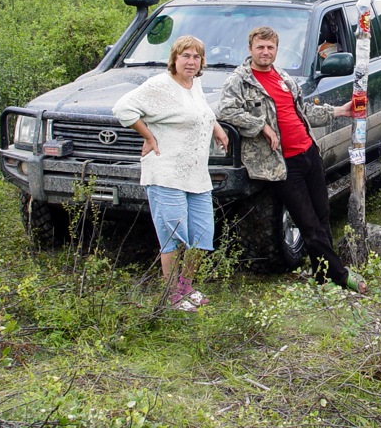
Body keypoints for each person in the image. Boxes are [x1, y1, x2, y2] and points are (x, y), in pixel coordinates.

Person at [216, 26, 366, 294]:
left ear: (276, 49)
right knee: (307, 222)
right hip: (280, 163)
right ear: (250, 49)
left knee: (322, 216)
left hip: (308, 152)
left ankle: (322, 276)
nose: (265, 52)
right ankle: (341, 275)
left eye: (270, 47)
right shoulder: (239, 80)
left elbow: (303, 110)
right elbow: (226, 110)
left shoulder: (283, 76)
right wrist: (262, 126)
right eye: (260, 47)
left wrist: (338, 111)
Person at [112, 35, 229, 312]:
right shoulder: (160, 86)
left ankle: (186, 287)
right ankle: (171, 294)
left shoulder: (195, 84)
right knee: (174, 235)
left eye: (196, 57)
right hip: (166, 172)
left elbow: (202, 112)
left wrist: (217, 128)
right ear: (174, 59)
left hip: (196, 174)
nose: (191, 62)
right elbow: (122, 109)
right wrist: (149, 136)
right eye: (185, 56)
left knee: (201, 236)